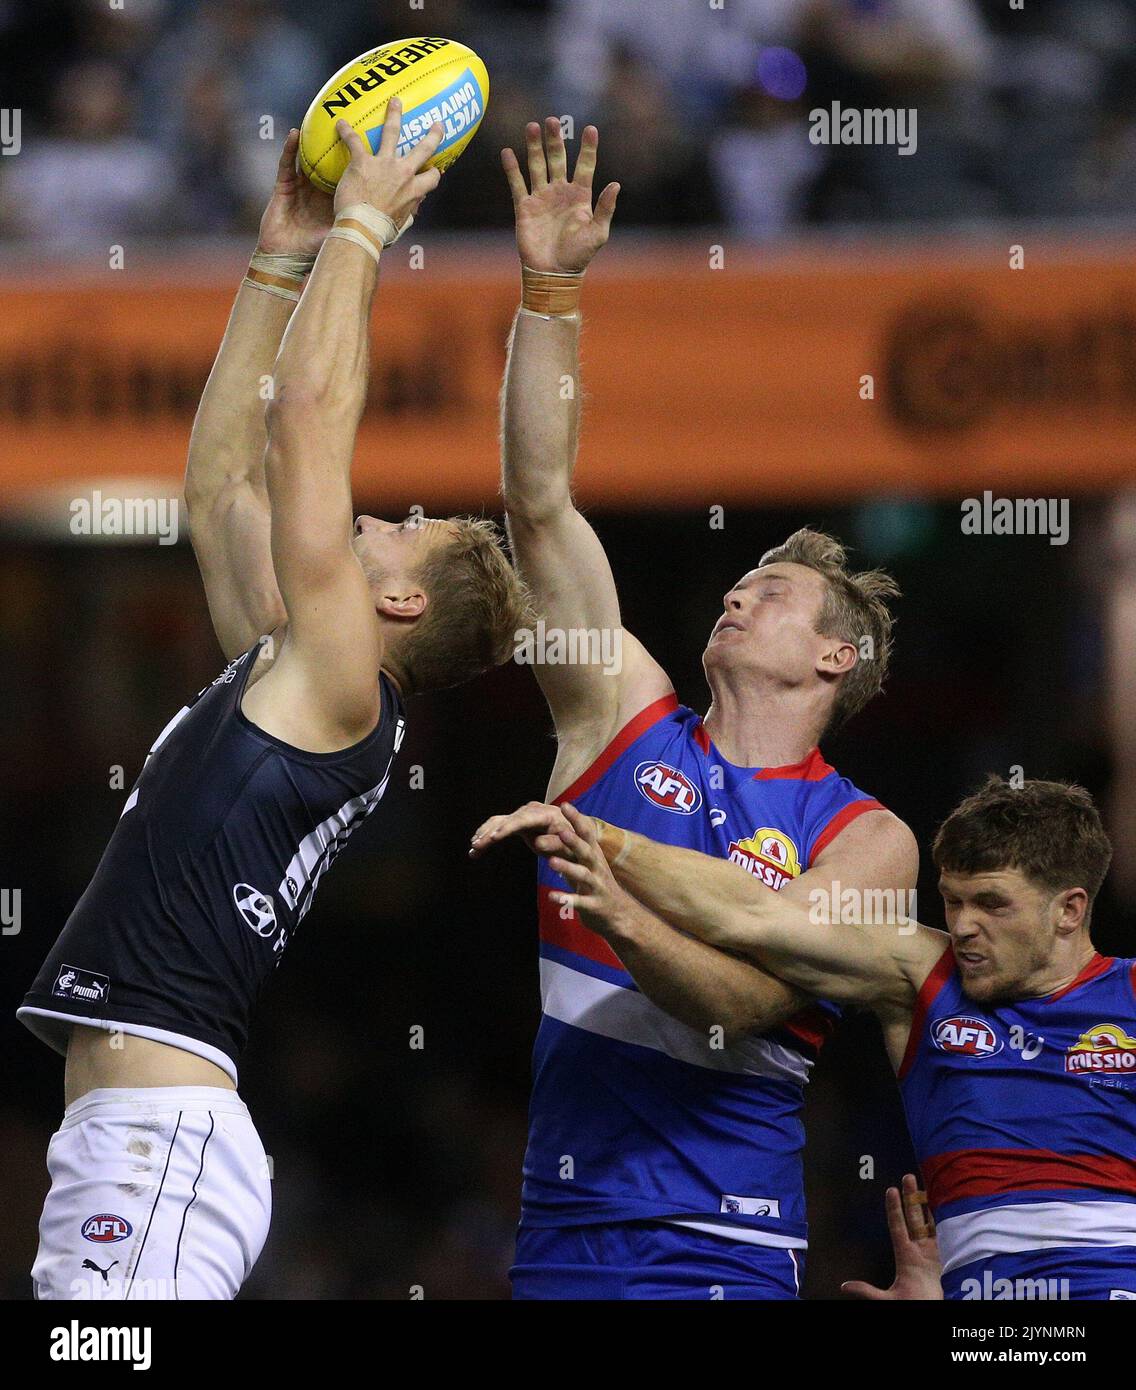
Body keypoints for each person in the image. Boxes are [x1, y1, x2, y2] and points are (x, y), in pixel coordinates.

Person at [18, 107, 531, 1300]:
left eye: (405, 532)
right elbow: (219, 483)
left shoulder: (343, 681)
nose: (376, 518)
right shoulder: (294, 671)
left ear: (401, 608)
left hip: (160, 1142)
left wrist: (363, 226)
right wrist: (280, 255)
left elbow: (306, 421)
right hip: (137, 1139)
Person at [476, 115, 918, 1299]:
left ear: (835, 658)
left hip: (719, 1246)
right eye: (736, 579)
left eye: (769, 592)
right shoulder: (618, 714)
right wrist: (550, 288)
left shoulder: (866, 839)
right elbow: (535, 502)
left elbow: (743, 1008)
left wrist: (613, 890)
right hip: (558, 1232)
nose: (735, 591)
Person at [478, 777, 1136, 1299]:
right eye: (952, 900)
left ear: (1069, 910)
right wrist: (596, 836)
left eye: (991, 904)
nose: (962, 926)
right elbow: (755, 912)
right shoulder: (919, 975)